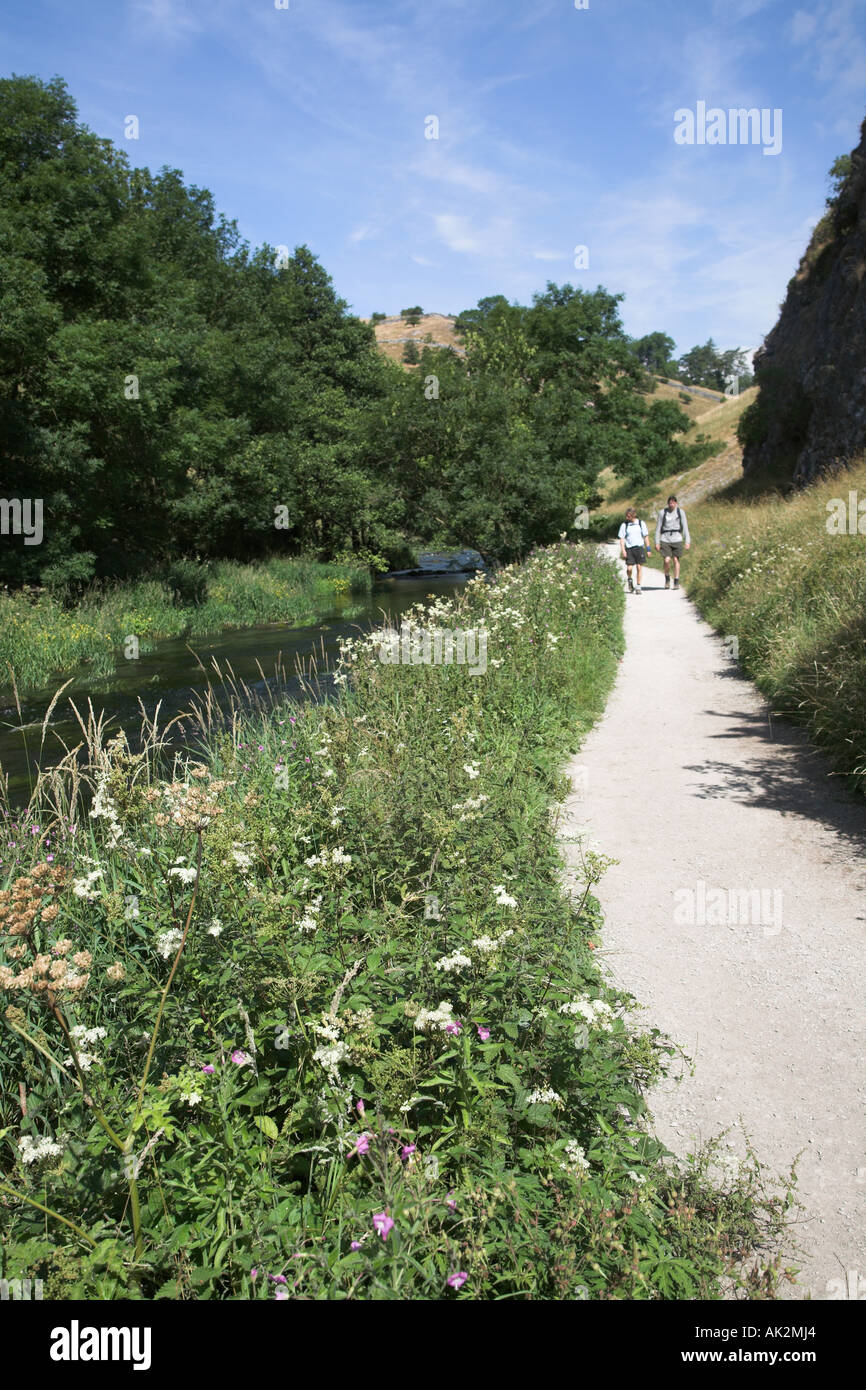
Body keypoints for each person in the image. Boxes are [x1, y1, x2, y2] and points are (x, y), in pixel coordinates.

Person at [655, 495, 691, 589]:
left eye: (673, 503)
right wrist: (657, 542)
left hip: (677, 539)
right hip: (665, 538)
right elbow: (658, 528)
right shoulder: (662, 513)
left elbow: (685, 527)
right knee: (667, 560)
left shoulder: (680, 512)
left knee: (676, 560)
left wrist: (687, 541)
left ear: (676, 503)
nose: (671, 505)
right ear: (668, 504)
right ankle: (667, 578)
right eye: (670, 503)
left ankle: (676, 581)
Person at [617, 507, 651, 593]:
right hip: (629, 549)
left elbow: (646, 536)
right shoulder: (624, 525)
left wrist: (648, 549)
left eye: (628, 516)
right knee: (629, 569)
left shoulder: (640, 523)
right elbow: (621, 539)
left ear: (633, 515)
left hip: (639, 548)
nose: (627, 518)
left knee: (639, 567)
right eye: (626, 516)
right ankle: (630, 580)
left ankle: (638, 586)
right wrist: (623, 550)